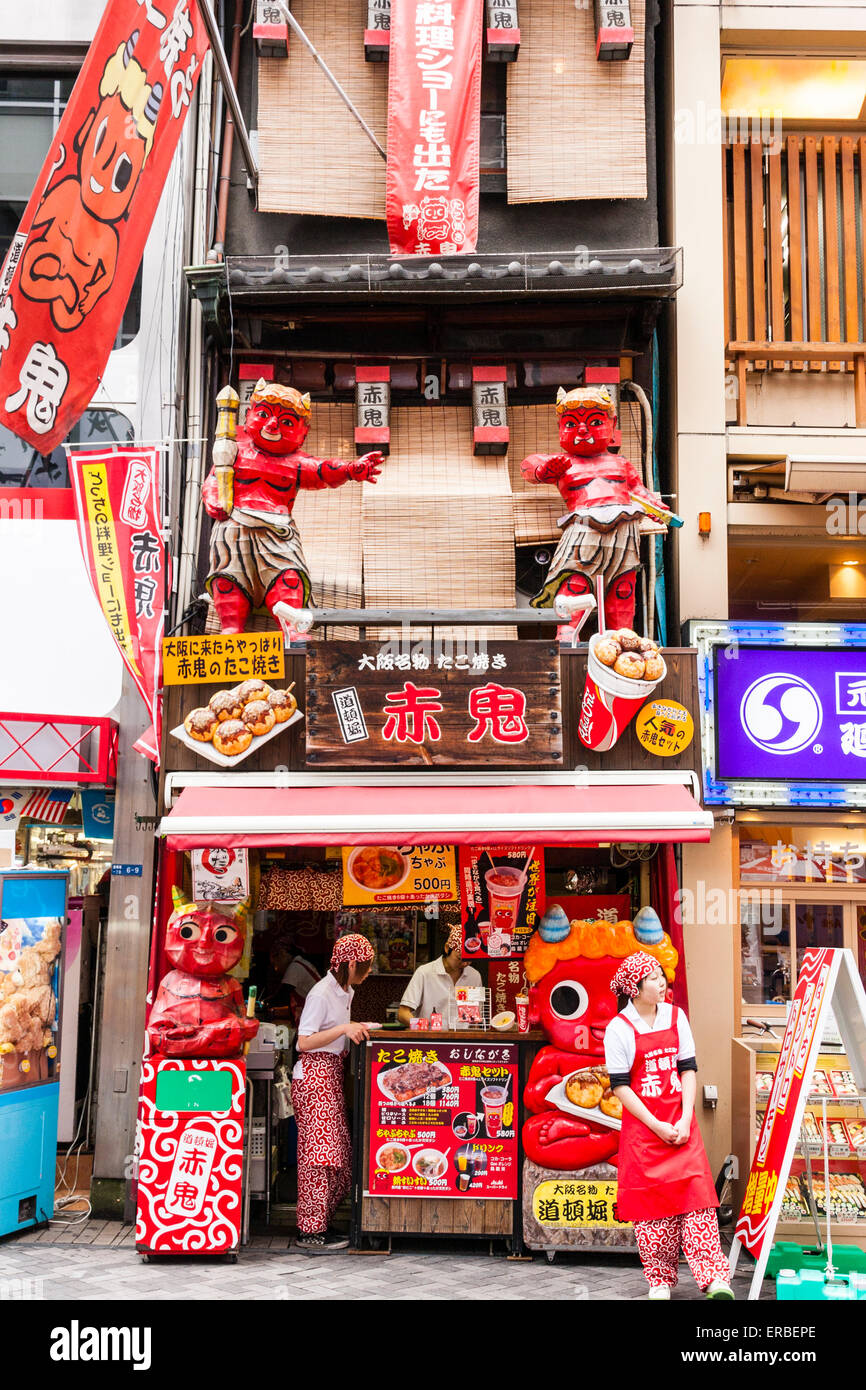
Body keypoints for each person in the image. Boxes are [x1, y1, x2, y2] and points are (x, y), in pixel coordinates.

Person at [604, 951, 734, 1301]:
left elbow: (687, 1069)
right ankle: (659, 1282)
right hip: (645, 1133)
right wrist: (657, 1125)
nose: (661, 983)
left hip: (681, 1127)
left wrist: (685, 1117)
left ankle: (714, 1280)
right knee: (652, 1211)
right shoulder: (619, 1029)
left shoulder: (677, 1017)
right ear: (635, 987)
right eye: (653, 979)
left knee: (699, 1204)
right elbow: (620, 1086)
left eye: (662, 976)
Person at [292, 932, 374, 1252]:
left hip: (331, 1077)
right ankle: (310, 1230)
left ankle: (321, 1222)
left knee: (338, 1155)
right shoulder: (322, 993)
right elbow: (304, 1041)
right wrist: (344, 1029)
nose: (367, 973)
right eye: (364, 967)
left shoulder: (345, 991)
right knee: (319, 1156)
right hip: (313, 1078)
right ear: (351, 963)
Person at [397, 924, 483, 1027]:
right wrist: (423, 1028)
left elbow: (475, 1020)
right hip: (431, 1040)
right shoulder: (424, 973)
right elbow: (403, 1013)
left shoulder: (474, 976)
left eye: (469, 960)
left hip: (463, 1040)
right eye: (460, 958)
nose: (465, 964)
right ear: (447, 948)